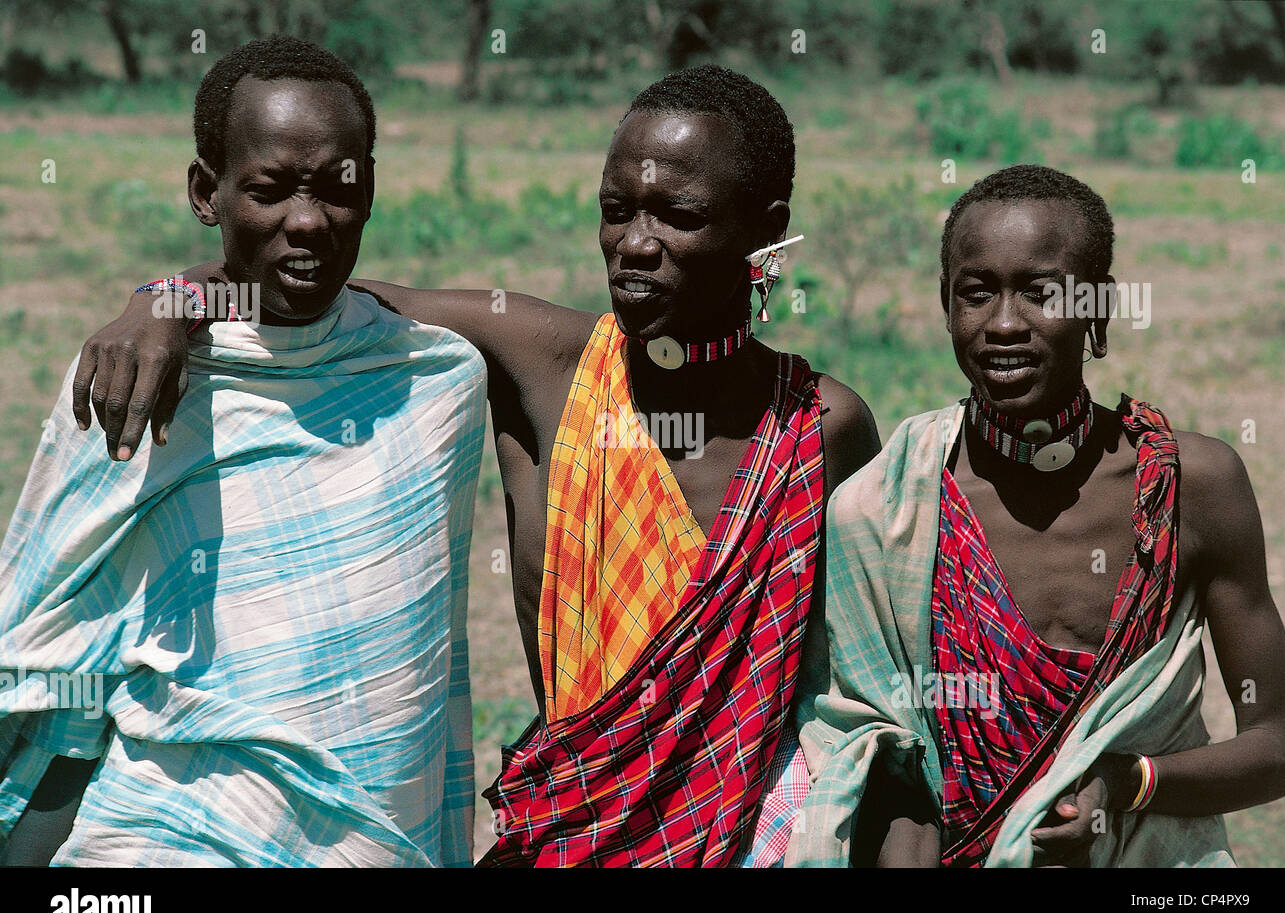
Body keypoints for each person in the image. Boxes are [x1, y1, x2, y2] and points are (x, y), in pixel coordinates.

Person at [72, 64, 880, 866]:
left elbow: (852, 692)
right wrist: (169, 299)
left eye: (679, 216)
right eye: (617, 211)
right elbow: (317, 288)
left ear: (765, 229)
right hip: (577, 828)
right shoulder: (549, 365)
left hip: (759, 835)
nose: (636, 243)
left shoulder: (822, 428)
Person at [0, 37, 486, 866]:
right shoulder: (133, 383)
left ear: (369, 190)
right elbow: (55, 667)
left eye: (339, 188)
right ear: (206, 191)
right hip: (162, 840)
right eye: (267, 190)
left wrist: (173, 290)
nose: (308, 221)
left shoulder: (434, 381)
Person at [787, 164, 1285, 868]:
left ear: (1098, 307)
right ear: (945, 306)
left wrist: (1128, 782)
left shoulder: (1190, 487)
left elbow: (1277, 744)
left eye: (1040, 293)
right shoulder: (883, 506)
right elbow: (867, 748)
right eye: (976, 293)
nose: (1003, 324)